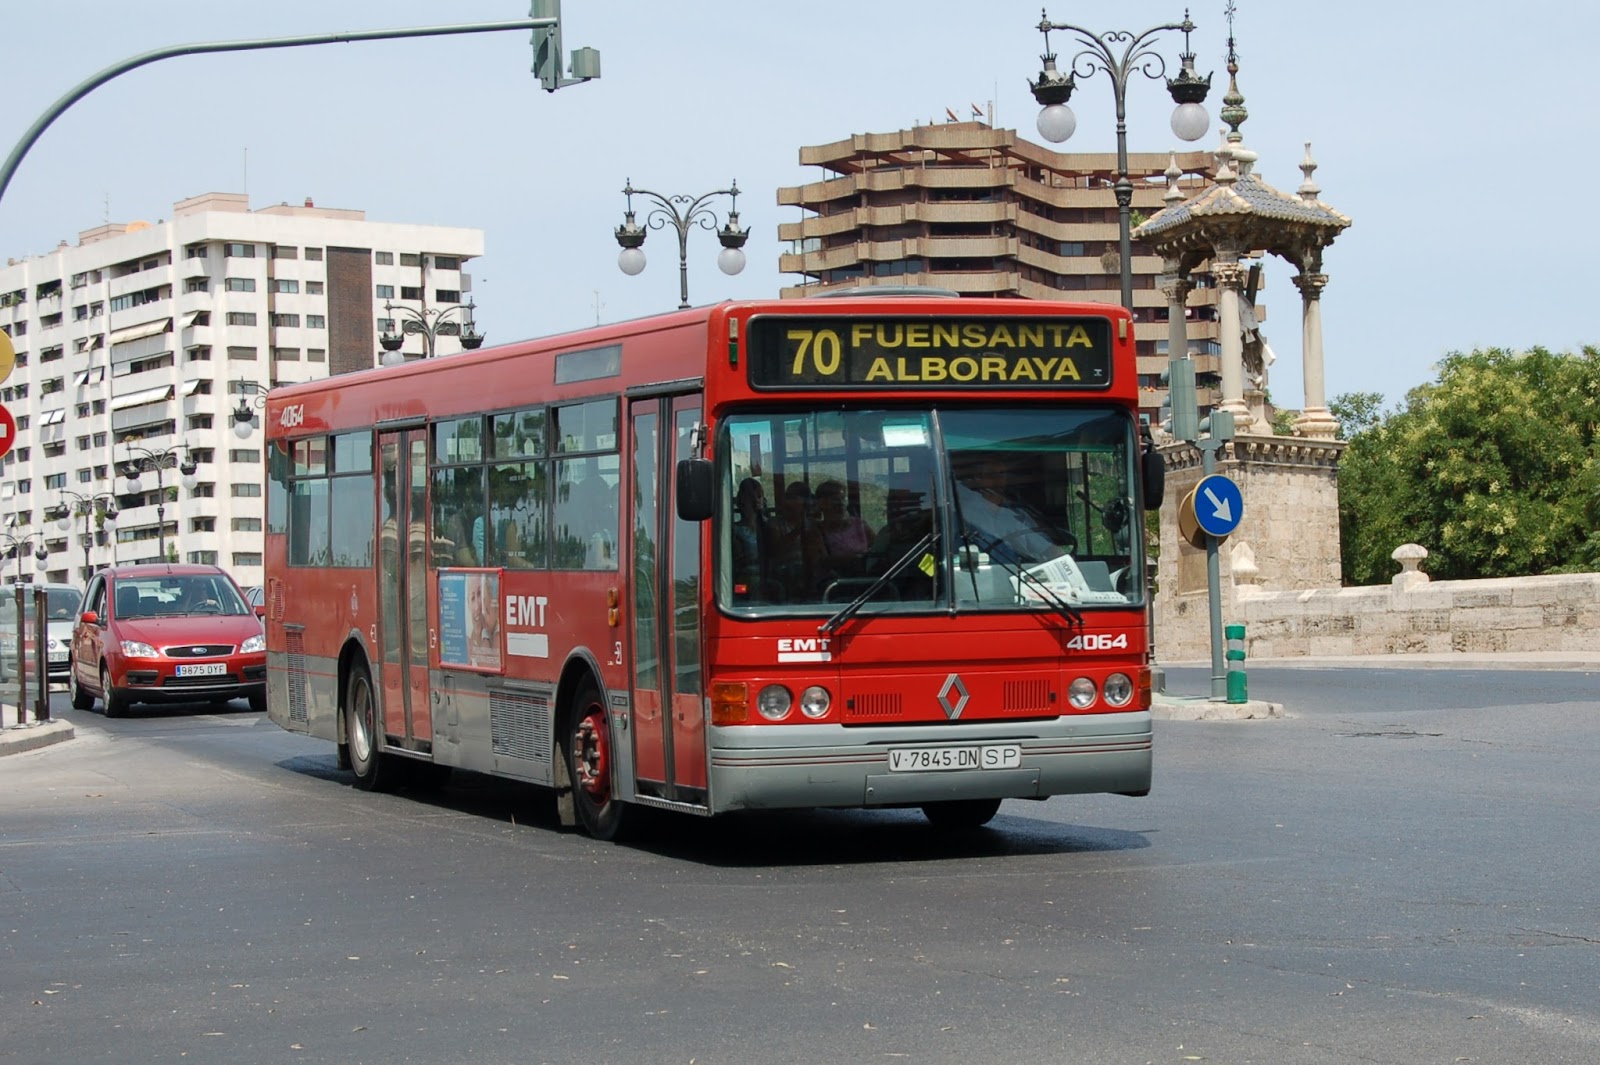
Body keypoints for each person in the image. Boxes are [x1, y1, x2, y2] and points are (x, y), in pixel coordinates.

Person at [765, 480, 823, 600]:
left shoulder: (814, 524)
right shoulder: (774, 523)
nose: (788, 503)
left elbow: (819, 551)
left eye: (794, 498)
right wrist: (799, 529)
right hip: (783, 570)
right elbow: (775, 550)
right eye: (788, 498)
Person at [814, 480, 875, 581]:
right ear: (822, 504)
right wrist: (858, 558)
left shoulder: (859, 525)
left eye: (843, 499)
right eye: (835, 500)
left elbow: (878, 549)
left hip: (869, 581)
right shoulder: (817, 531)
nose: (841, 504)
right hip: (838, 586)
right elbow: (823, 562)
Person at [730, 477, 768, 596]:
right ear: (741, 501)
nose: (756, 500)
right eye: (751, 497)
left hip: (771, 574)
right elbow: (738, 561)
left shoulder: (769, 525)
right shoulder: (735, 531)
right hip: (748, 577)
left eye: (759, 496)